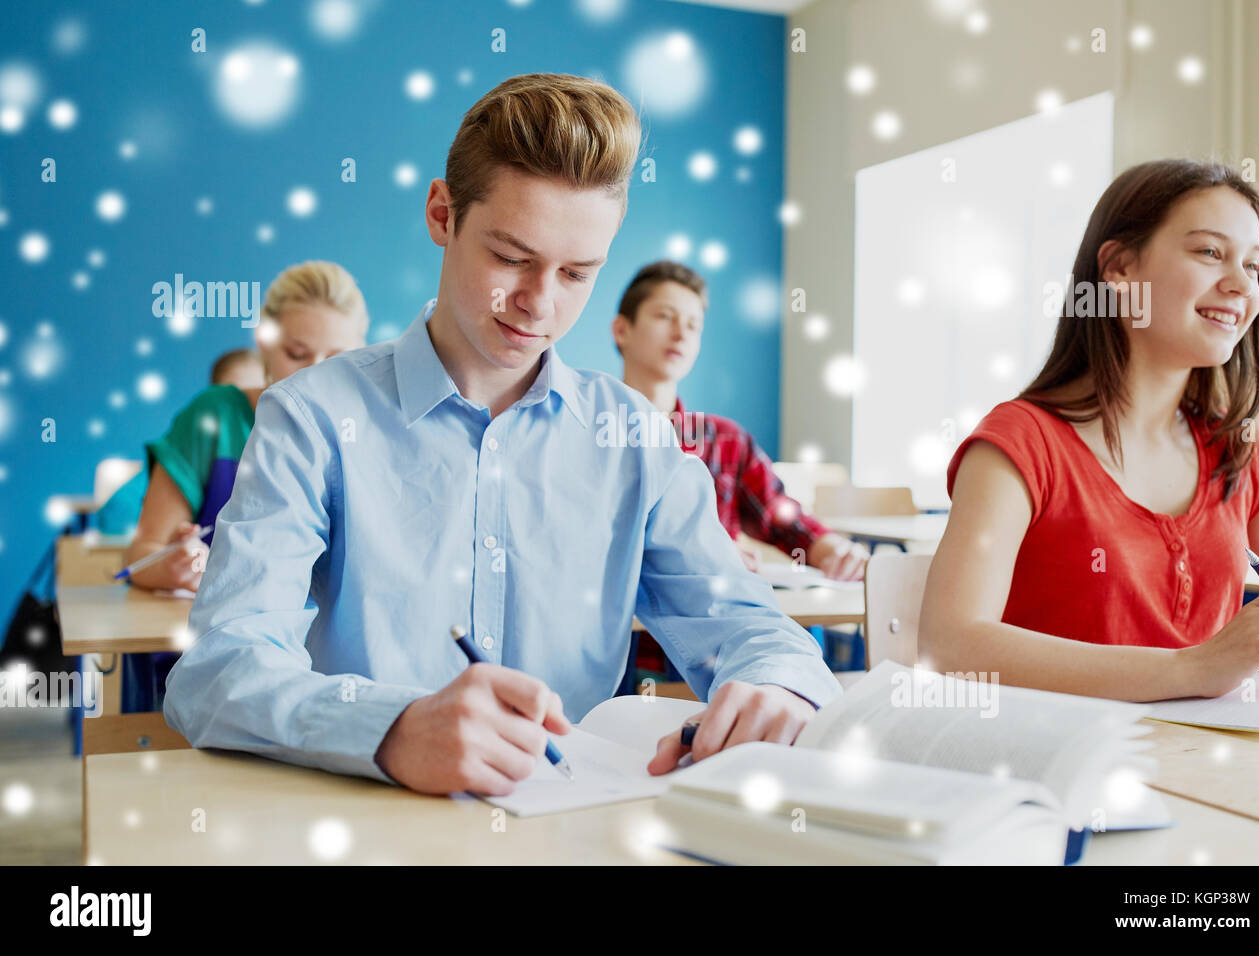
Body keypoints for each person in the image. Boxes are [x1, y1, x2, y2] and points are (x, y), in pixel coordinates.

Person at [163, 73, 843, 796]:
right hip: (368, 824)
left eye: (578, 274)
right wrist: (390, 729)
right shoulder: (313, 417)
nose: (539, 303)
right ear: (441, 214)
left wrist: (779, 688)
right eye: (512, 258)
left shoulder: (634, 439)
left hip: (574, 826)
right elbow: (215, 672)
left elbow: (753, 628)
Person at [919, 159, 1259, 700]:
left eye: (1255, 266)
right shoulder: (1020, 444)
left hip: (1200, 767)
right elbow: (951, 648)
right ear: (1119, 269)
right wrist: (1192, 669)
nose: (1242, 286)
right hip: (1054, 767)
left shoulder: (1242, 451)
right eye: (1210, 252)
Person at [120, 261, 370, 711]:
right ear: (264, 343)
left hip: (332, 677)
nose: (313, 374)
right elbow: (140, 556)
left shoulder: (369, 435)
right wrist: (170, 566)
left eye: (335, 360)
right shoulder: (214, 417)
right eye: (296, 352)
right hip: (218, 669)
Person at [612, 260, 868, 582]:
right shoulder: (587, 431)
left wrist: (831, 549)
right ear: (622, 330)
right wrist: (703, 550)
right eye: (665, 316)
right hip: (619, 625)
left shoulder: (726, 440)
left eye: (693, 325)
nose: (680, 334)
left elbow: (780, 516)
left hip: (714, 625)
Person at [95, 348, 273, 537]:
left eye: (258, 391)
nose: (246, 404)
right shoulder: (187, 458)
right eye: (234, 396)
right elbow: (116, 516)